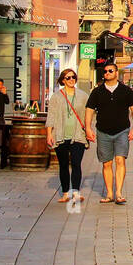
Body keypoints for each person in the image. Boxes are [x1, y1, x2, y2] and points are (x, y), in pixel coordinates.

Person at [85, 63, 133, 205]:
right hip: (103, 131)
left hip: (122, 131)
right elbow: (89, 110)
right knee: (106, 163)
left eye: (110, 71)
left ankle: (119, 193)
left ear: (116, 73)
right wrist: (88, 128)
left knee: (120, 160)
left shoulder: (126, 91)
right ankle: (109, 194)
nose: (107, 73)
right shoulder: (97, 91)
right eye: (105, 71)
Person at [45, 68, 90, 204]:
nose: (71, 80)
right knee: (63, 164)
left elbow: (89, 114)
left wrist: (89, 129)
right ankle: (65, 193)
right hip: (60, 134)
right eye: (68, 78)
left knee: (76, 164)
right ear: (63, 80)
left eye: (73, 77)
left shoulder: (83, 96)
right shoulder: (56, 97)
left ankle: (75, 192)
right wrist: (48, 134)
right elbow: (51, 116)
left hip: (78, 135)